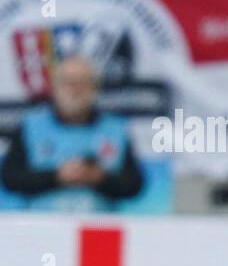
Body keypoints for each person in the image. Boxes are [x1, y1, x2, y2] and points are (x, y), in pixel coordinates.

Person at [0, 55, 143, 212]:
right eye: (68, 82)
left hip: (98, 231)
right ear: (55, 88)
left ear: (95, 88)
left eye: (82, 83)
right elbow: (10, 178)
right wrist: (57, 176)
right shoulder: (30, 126)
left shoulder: (115, 129)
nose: (75, 89)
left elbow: (134, 185)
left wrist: (99, 177)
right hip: (42, 230)